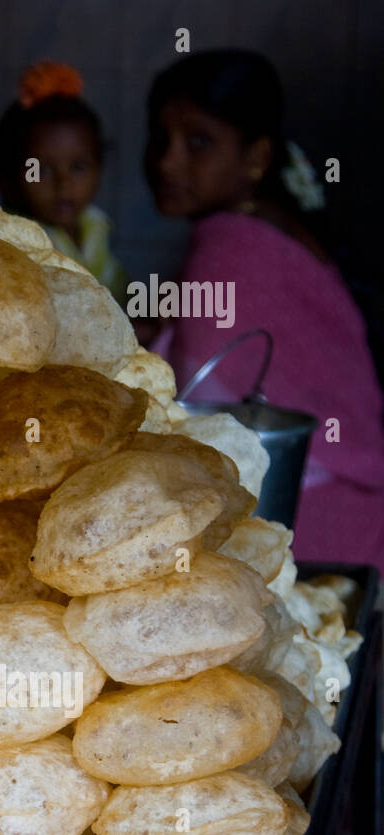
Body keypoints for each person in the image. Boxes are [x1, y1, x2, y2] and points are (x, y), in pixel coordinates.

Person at [143, 49, 384, 570]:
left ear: (256, 157)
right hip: (357, 497)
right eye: (160, 138)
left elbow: (194, 408)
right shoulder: (274, 225)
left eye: (198, 142)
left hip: (302, 515)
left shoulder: (229, 248)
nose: (167, 161)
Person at [0, 62, 127, 302]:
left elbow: (116, 290)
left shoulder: (95, 224)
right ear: (7, 178)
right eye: (41, 169)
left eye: (78, 167)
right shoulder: (16, 241)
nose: (63, 184)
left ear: (99, 170)